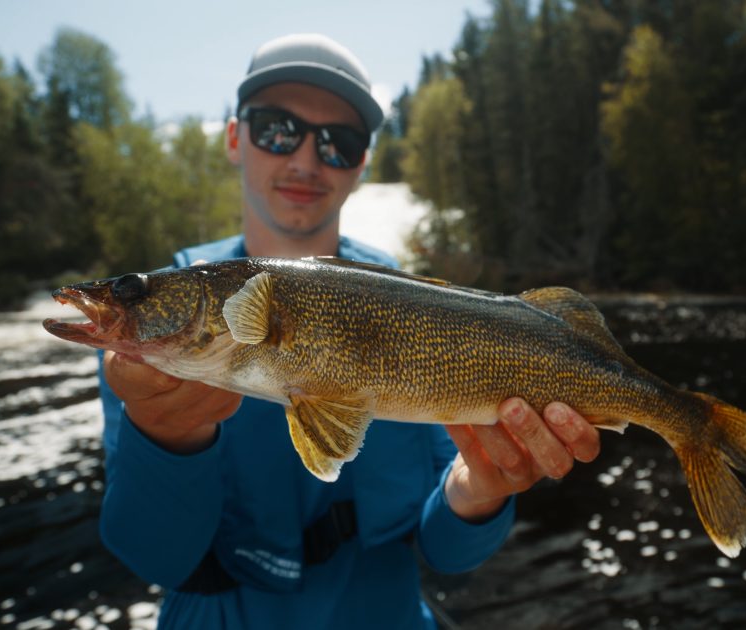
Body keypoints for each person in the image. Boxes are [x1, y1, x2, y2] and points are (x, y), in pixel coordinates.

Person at [96, 33, 601, 629]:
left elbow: (447, 548)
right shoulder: (160, 321)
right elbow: (155, 556)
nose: (306, 159)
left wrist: (480, 489)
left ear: (361, 163)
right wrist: (164, 436)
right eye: (277, 129)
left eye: (339, 142)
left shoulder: (412, 303)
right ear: (235, 137)